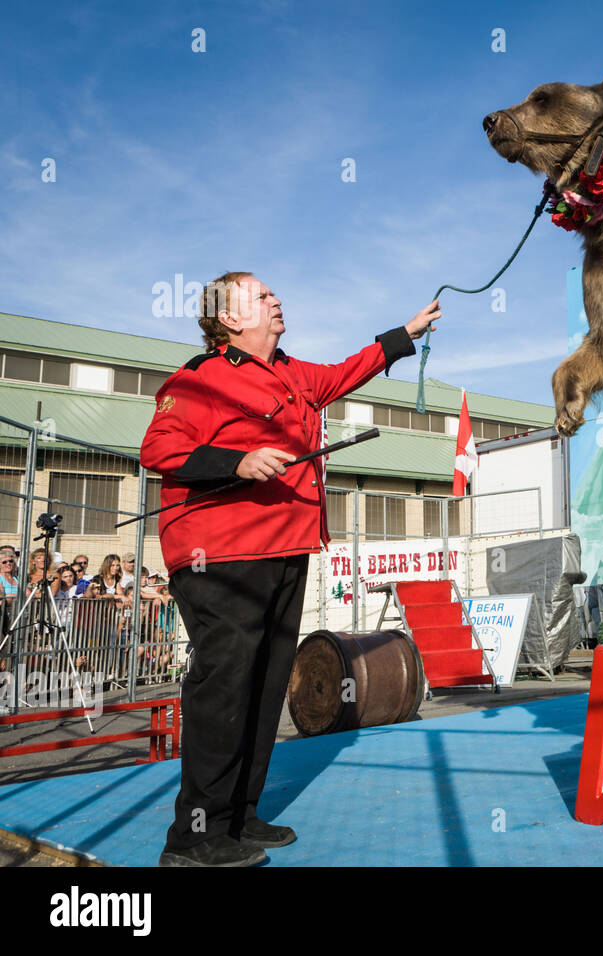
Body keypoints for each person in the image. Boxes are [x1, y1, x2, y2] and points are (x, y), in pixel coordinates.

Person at [141, 270, 440, 867]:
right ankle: (194, 839)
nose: (277, 299)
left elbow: (341, 375)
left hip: (284, 548)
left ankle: (239, 817)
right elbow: (158, 449)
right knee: (224, 687)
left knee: (265, 686)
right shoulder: (198, 379)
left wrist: (403, 335)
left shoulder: (292, 372)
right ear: (230, 318)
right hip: (220, 555)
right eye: (262, 296)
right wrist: (239, 459)